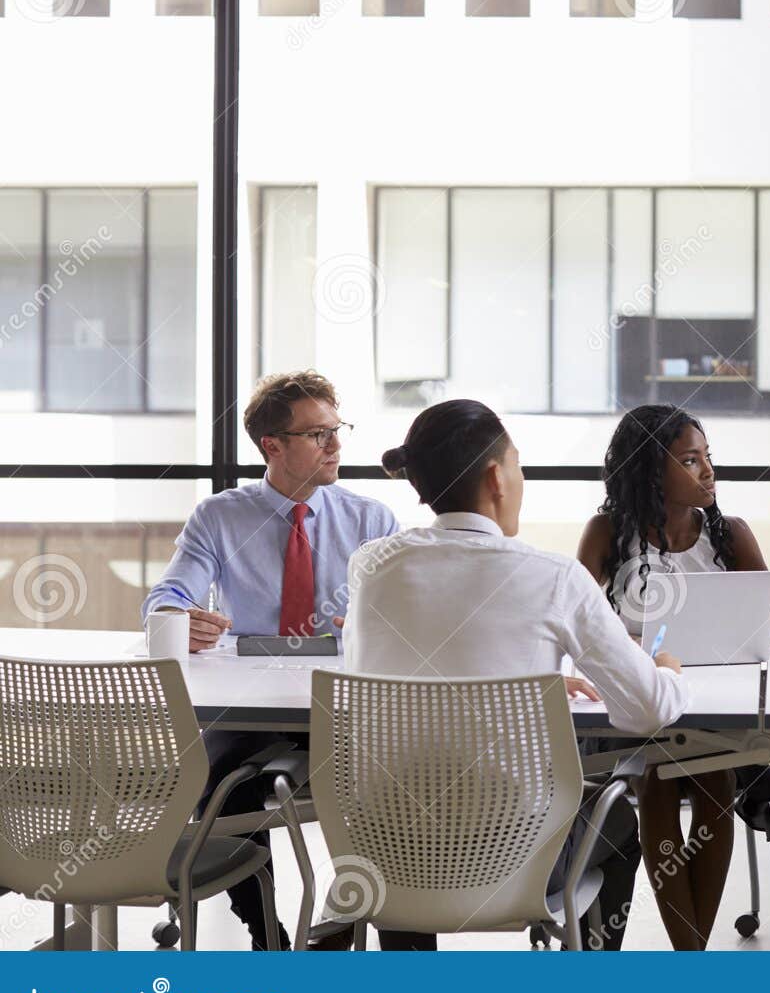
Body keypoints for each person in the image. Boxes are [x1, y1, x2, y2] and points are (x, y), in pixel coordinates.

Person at [345, 399, 688, 951]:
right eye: (519, 466)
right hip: (517, 863)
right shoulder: (552, 576)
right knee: (619, 815)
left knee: (405, 809)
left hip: (387, 859)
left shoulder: (370, 567)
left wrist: (540, 684)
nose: (522, 480)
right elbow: (645, 710)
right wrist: (666, 670)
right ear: (494, 477)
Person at [141, 370, 397, 951]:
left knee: (388, 789)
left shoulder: (371, 520)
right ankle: (268, 938)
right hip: (250, 708)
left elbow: (405, 624)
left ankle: (348, 929)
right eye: (317, 435)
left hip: (343, 707)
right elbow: (166, 598)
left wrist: (376, 624)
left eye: (338, 431)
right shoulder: (219, 517)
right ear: (272, 446)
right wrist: (184, 619)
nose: (335, 446)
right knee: (225, 786)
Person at [577, 404, 770, 951]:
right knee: (661, 776)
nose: (708, 472)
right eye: (691, 460)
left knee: (712, 775)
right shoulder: (606, 533)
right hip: (635, 707)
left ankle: (689, 954)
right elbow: (573, 624)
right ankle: (691, 954)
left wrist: (711, 636)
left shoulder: (730, 534)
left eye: (707, 458)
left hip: (717, 709)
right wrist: (635, 649)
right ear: (651, 472)